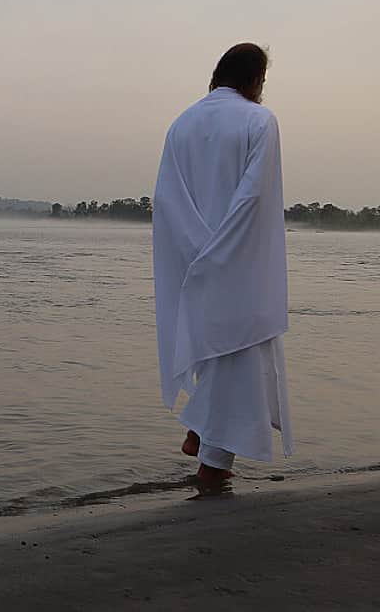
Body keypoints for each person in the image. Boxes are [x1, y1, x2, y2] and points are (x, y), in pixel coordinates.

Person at [152, 43, 294, 493]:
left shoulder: (182, 122)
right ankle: (210, 465)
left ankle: (200, 435)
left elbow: (167, 199)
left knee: (222, 349)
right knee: (242, 354)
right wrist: (226, 253)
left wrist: (198, 252)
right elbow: (255, 198)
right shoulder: (259, 121)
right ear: (255, 80)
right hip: (237, 257)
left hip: (193, 257)